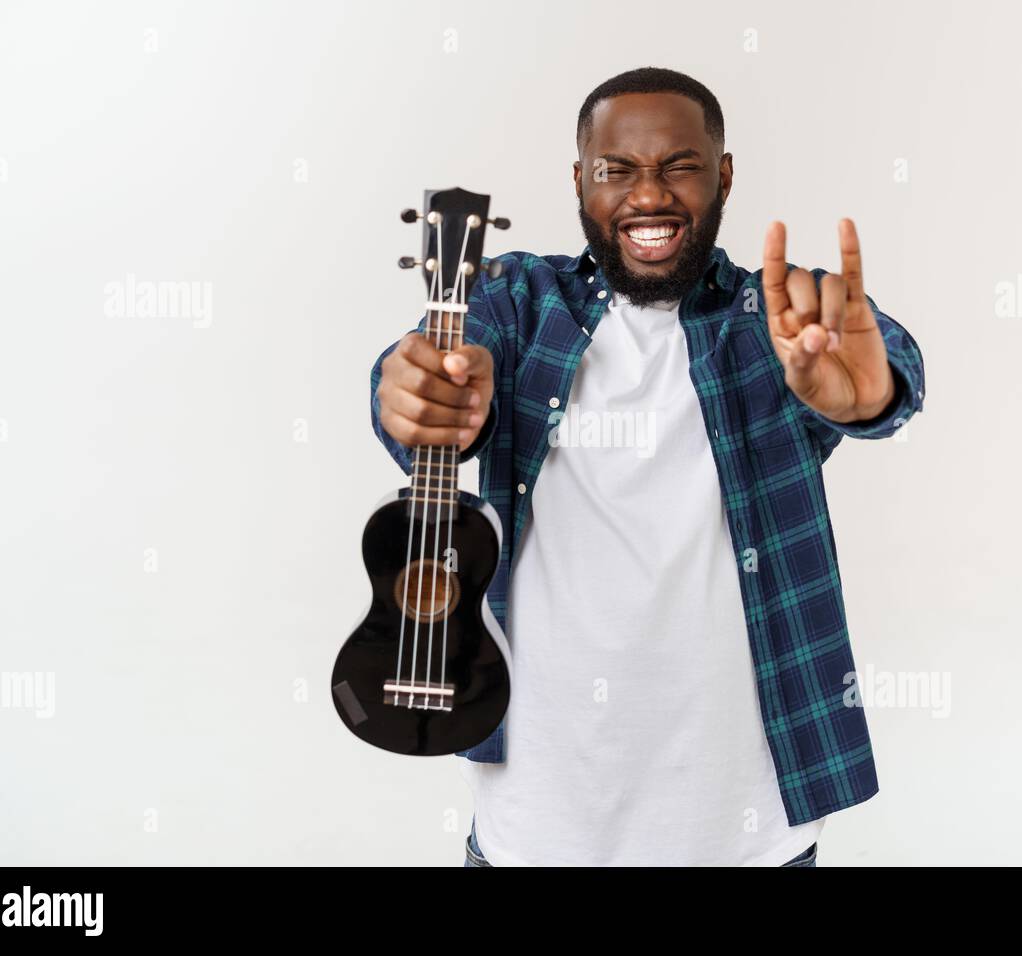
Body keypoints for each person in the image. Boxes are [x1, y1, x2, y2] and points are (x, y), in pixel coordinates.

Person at [371, 67, 926, 866]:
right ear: (579, 181)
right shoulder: (519, 300)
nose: (648, 195)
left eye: (680, 166)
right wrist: (412, 395)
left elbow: (878, 360)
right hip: (536, 832)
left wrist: (871, 395)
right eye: (616, 170)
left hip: (751, 837)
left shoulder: (769, 320)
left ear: (723, 174)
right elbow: (423, 370)